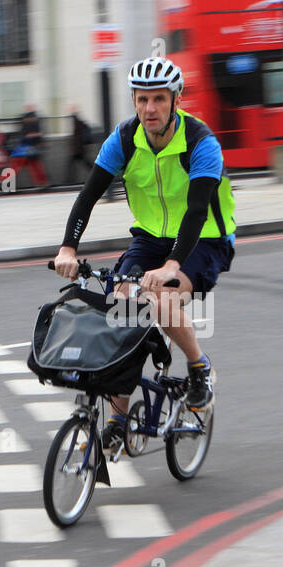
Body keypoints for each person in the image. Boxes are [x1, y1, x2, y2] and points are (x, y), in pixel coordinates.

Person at [53, 56, 236, 452]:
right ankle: (118, 420)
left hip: (205, 238)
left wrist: (172, 265)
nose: (149, 108)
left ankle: (199, 368)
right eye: (141, 100)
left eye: (158, 99)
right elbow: (88, 196)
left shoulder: (201, 143)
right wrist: (69, 247)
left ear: (175, 101)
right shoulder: (123, 139)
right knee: (123, 308)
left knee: (159, 296)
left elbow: (197, 210)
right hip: (151, 236)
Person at [9, 104, 50, 189]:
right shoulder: (34, 119)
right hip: (29, 147)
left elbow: (23, 133)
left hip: (25, 147)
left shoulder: (25, 119)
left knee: (22, 166)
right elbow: (36, 134)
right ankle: (42, 183)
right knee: (34, 166)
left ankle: (41, 183)